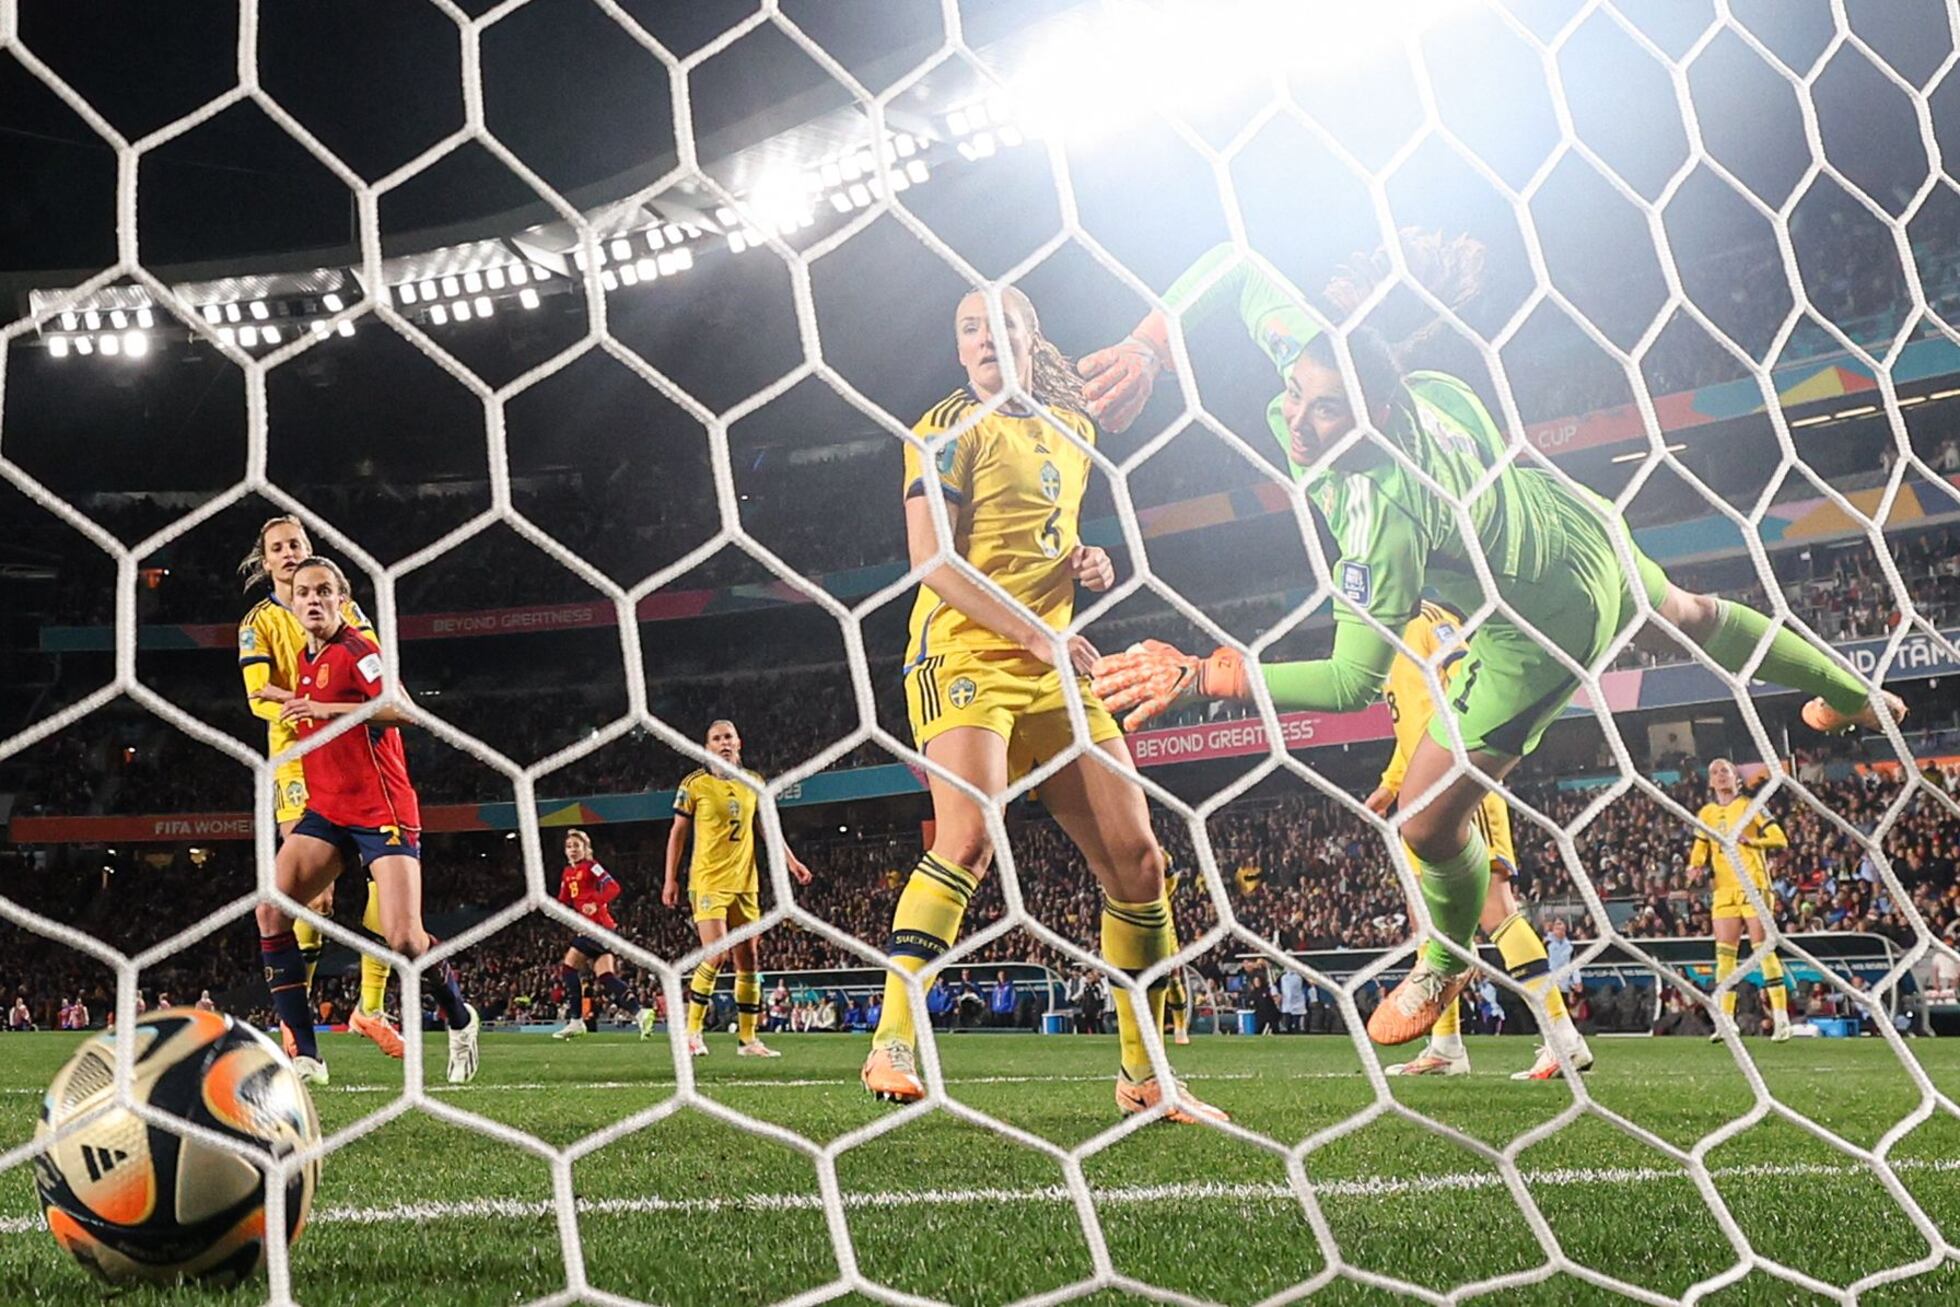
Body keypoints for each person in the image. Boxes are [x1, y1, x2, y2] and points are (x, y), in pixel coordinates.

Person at [1081, 234, 1904, 1046]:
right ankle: (1854, 694)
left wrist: (1208, 675)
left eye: (1325, 407)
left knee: (1425, 823)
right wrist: (1149, 347)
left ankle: (1443, 960)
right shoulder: (1397, 377)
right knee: (1691, 612)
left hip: (1543, 623)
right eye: (1297, 392)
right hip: (1575, 525)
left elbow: (1348, 684)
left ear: (1376, 414)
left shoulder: (1383, 516)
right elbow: (1237, 263)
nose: (1297, 416)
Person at [859, 284, 1226, 1126]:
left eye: (1001, 324)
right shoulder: (942, 430)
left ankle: (1146, 1077)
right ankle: (892, 1040)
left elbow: (1044, 539)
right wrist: (1034, 634)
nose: (985, 337)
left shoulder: (1073, 429)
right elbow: (932, 560)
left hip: (1053, 668)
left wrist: (1088, 560)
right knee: (967, 836)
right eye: (969, 328)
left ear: (1032, 336)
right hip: (963, 656)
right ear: (959, 348)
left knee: (1140, 864)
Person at [250, 557, 479, 1086]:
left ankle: (460, 1017)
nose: (312, 599)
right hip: (327, 811)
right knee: (271, 912)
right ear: (291, 602)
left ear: (342, 600)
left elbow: (403, 710)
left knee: (405, 940)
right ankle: (306, 1056)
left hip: (382, 811)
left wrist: (323, 710)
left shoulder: (358, 650)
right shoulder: (305, 660)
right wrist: (296, 701)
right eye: (303, 592)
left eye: (323, 591)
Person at [1366, 604, 1592, 1080]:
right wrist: (1390, 785)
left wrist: (1463, 763)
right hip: (1419, 797)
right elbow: (1412, 733)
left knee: (1496, 910)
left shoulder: (1427, 618)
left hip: (1460, 785)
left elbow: (1467, 679)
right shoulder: (1386, 645)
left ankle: (1563, 1037)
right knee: (1430, 926)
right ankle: (1445, 1046)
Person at [236, 515, 402, 1060]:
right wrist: (312, 707)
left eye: (296, 544)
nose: (288, 553)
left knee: (384, 880)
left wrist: (328, 706)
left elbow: (376, 674)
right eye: (278, 548)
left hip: (358, 754)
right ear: (265, 561)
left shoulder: (343, 607)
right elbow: (258, 695)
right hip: (296, 760)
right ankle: (295, 1029)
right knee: (313, 895)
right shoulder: (258, 622)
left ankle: (370, 1008)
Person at [664, 720, 813, 1059]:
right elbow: (677, 833)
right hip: (708, 881)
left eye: (728, 737)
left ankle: (748, 1040)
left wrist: (791, 862)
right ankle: (692, 1033)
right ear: (707, 747)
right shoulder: (694, 784)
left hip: (745, 884)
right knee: (716, 955)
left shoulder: (754, 782)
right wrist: (670, 878)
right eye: (716, 738)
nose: (724, 743)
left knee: (748, 962)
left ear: (739, 742)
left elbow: (766, 827)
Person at [1692, 758, 1793, 1042]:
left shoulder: (1751, 806)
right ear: (1710, 782)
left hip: (1753, 885)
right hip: (1724, 891)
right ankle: (1727, 1021)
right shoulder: (1706, 813)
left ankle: (1781, 1019)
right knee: (1725, 956)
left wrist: (1754, 842)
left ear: (1737, 778)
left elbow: (1780, 838)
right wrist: (1694, 866)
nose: (1720, 775)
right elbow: (1700, 848)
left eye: (1725, 770)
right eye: (1714, 772)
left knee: (1763, 950)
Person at [551, 829, 657, 1041]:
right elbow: (564, 900)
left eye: (577, 846)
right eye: (569, 846)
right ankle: (640, 1013)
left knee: (569, 968)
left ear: (586, 848)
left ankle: (576, 1020)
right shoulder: (567, 873)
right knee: (606, 977)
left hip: (598, 927)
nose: (572, 850)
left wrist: (595, 902)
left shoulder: (592, 866)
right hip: (595, 930)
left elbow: (613, 888)